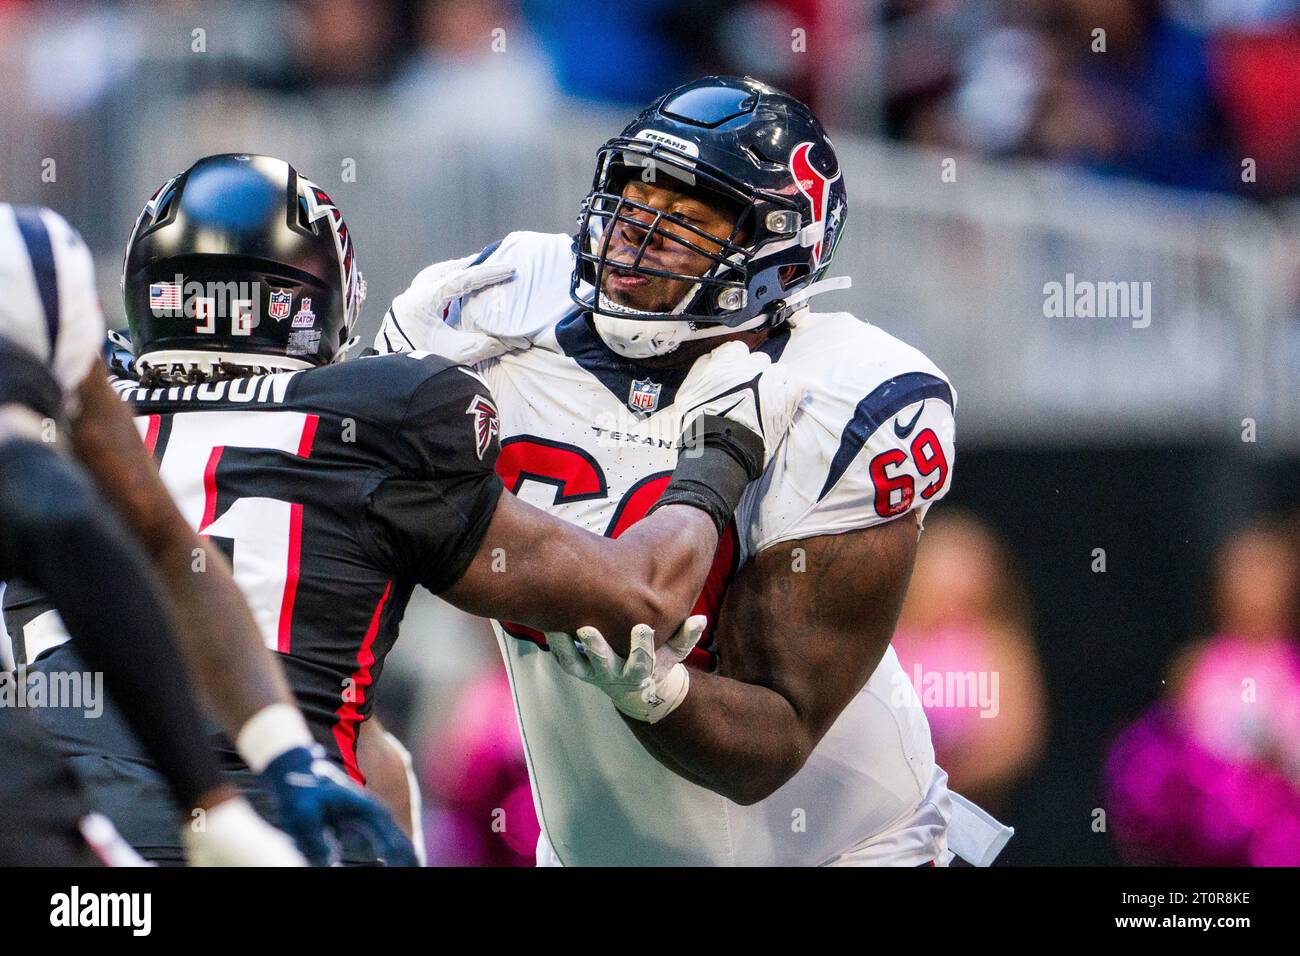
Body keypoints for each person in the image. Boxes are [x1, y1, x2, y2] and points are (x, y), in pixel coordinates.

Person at [9, 153, 799, 864]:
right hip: (273, 811)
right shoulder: (389, 415)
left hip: (48, 815)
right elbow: (643, 595)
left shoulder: (73, 411)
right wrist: (722, 456)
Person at [376, 75, 1014, 866]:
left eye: (686, 221)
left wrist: (659, 693)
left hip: (845, 850)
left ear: (777, 253)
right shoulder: (498, 307)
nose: (636, 239)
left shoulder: (848, 391)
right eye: (634, 202)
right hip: (601, 848)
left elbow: (775, 741)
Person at [0, 202, 308, 865]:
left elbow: (164, 545)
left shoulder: (30, 268)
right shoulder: (25, 264)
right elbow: (59, 516)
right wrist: (211, 798)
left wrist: (273, 753)